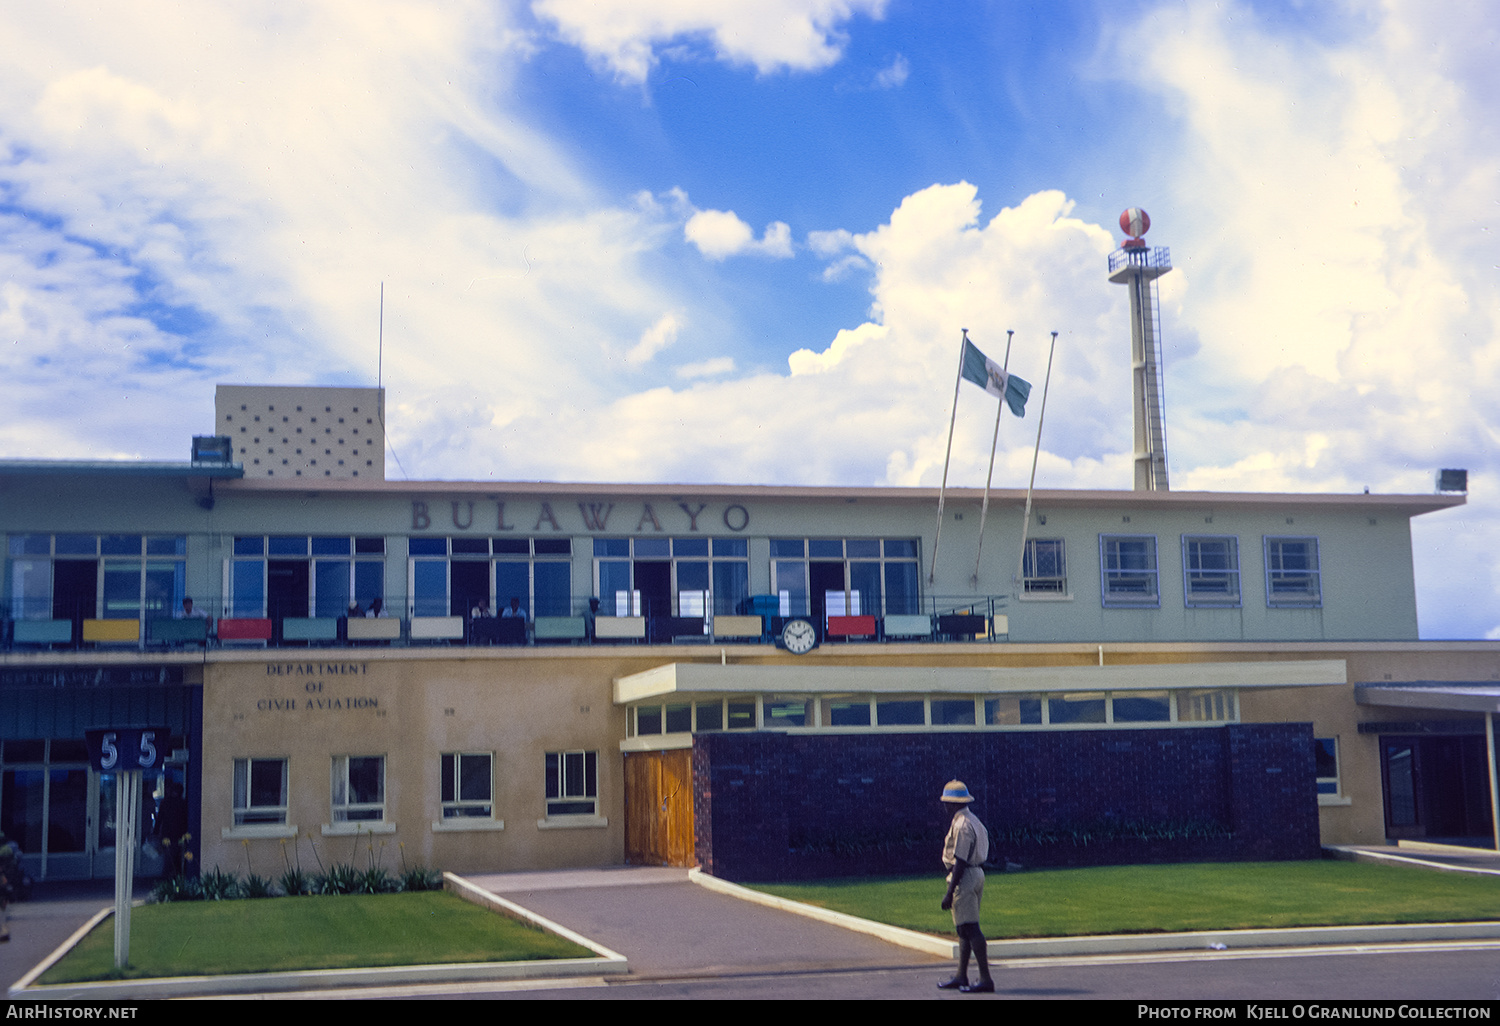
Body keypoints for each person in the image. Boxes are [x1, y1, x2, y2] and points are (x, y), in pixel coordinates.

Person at [936, 779, 993, 993]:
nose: (945, 806)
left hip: (965, 875)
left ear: (952, 803)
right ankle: (961, 975)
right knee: (964, 928)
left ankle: (985, 978)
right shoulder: (974, 820)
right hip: (977, 872)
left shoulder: (961, 825)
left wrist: (949, 893)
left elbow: (960, 859)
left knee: (970, 928)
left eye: (947, 802)